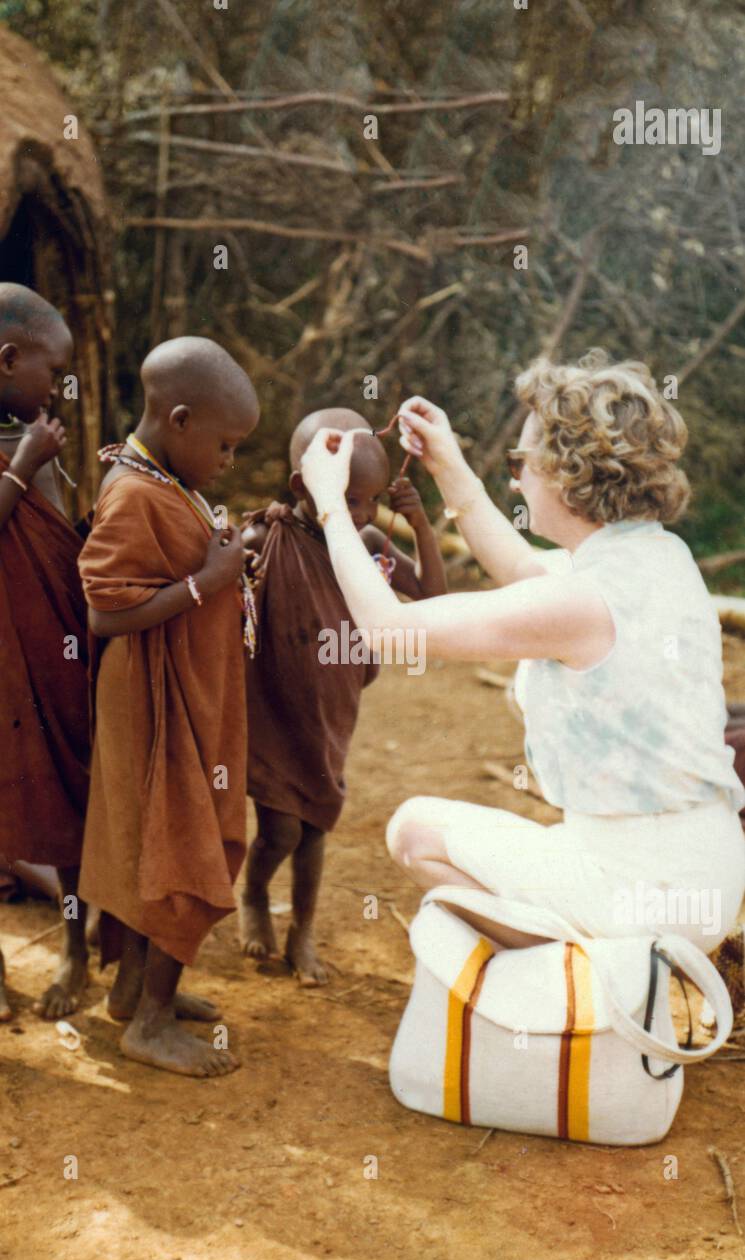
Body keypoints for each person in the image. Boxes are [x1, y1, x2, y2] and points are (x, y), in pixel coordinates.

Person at [297, 351, 745, 955]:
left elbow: (387, 627)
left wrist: (330, 506)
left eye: (521, 462)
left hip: (647, 887)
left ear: (565, 473)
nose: (514, 479)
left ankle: (599, 976)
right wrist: (448, 465)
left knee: (414, 832)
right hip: (700, 871)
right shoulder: (657, 559)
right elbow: (520, 567)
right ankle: (617, 970)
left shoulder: (582, 602)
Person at [77, 336, 259, 1076]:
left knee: (163, 839)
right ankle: (149, 1023)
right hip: (152, 701)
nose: (230, 460)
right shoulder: (132, 492)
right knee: (181, 846)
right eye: (225, 444)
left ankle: (133, 991)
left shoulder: (161, 477)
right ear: (179, 420)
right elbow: (104, 613)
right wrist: (208, 581)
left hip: (188, 691)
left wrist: (219, 553)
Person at [240, 407, 446, 984]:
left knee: (317, 822)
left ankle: (302, 935)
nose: (360, 514)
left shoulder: (371, 544)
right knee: (280, 828)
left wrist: (420, 525)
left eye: (371, 500)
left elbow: (432, 594)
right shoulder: (265, 536)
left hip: (332, 710)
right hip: (275, 711)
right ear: (304, 487)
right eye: (349, 500)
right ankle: (254, 895)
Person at [0, 283, 91, 1022]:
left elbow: (59, 544)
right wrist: (22, 467)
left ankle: (77, 950)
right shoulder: (30, 448)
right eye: (52, 371)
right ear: (8, 360)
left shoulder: (42, 441)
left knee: (67, 798)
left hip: (53, 658)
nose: (59, 387)